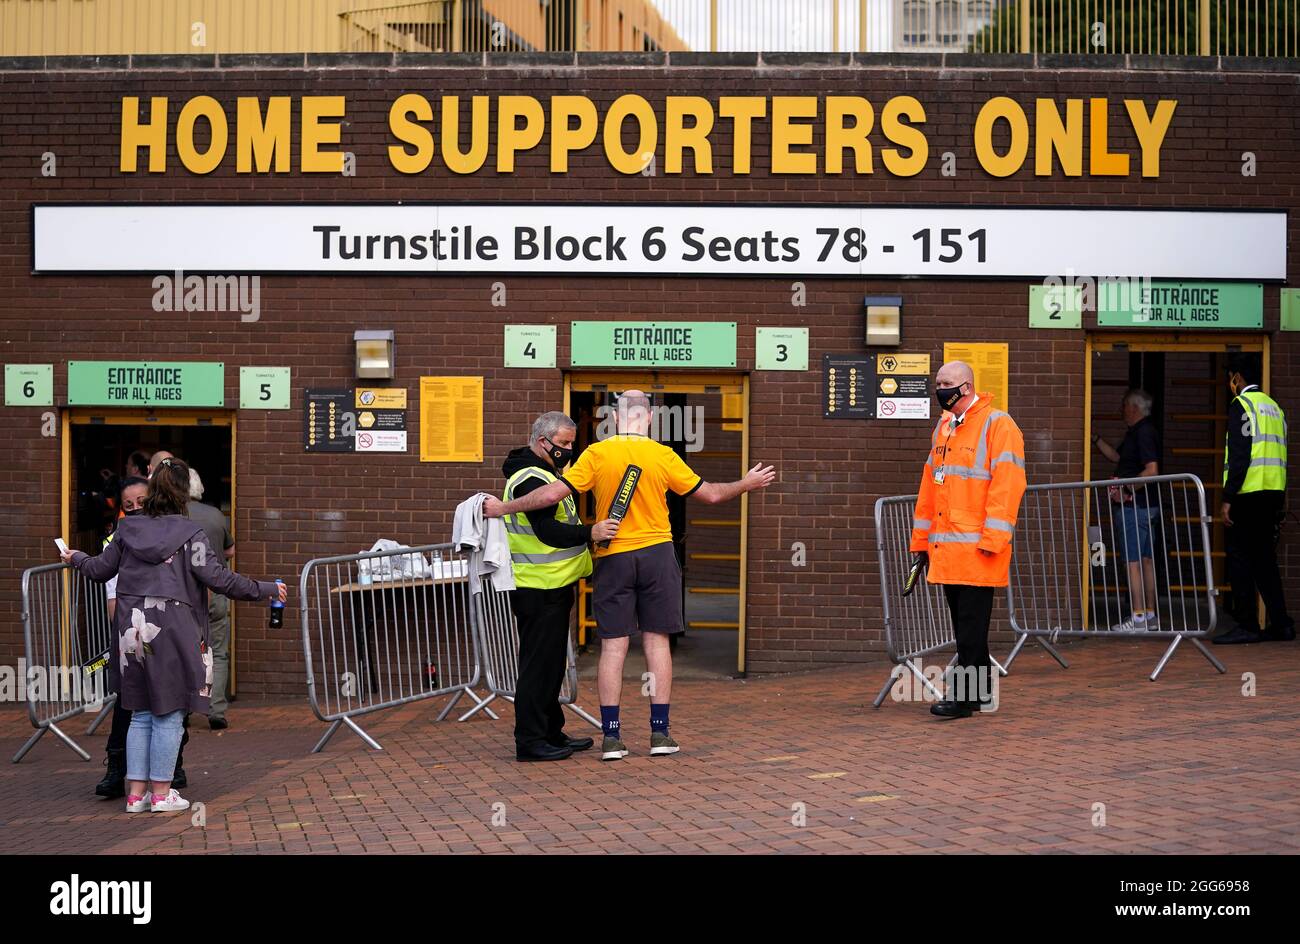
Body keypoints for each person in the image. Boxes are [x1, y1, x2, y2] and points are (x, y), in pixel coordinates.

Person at [484, 390, 775, 761]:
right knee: (656, 642)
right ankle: (660, 734)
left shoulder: (596, 454)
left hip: (614, 555)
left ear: (615, 419)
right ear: (650, 419)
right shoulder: (664, 455)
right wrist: (746, 484)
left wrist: (503, 507)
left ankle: (611, 738)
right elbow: (713, 496)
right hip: (657, 554)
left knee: (614, 645)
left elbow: (548, 496)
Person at [62, 457, 284, 813]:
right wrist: (266, 588)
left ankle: (135, 795)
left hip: (131, 629)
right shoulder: (190, 534)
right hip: (172, 629)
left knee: (139, 712)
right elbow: (220, 579)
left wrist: (74, 557)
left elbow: (100, 569)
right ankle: (162, 794)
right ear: (183, 494)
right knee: (169, 714)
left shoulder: (126, 530)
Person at [499, 412, 621, 762]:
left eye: (571, 443)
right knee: (538, 666)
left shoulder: (548, 475)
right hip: (537, 589)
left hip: (552, 587)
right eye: (564, 444)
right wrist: (590, 532)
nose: (569, 450)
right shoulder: (530, 478)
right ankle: (531, 741)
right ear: (543, 442)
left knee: (551, 665)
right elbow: (547, 532)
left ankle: (552, 732)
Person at [909, 361, 1026, 719]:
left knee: (971, 629)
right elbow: (930, 488)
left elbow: (1007, 486)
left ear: (966, 387)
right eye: (938, 382)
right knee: (965, 629)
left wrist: (993, 540)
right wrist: (921, 542)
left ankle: (965, 698)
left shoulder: (997, 424)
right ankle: (977, 694)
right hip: (949, 549)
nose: (939, 388)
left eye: (946, 383)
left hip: (977, 549)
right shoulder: (945, 427)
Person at [1213, 354, 1293, 645]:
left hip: (1248, 494)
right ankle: (1281, 623)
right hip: (1272, 496)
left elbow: (1240, 455)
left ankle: (1247, 623)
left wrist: (1228, 497)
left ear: (1238, 378)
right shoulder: (1275, 408)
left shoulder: (1242, 406)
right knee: (1265, 562)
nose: (1228, 383)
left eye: (1230, 376)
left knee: (1240, 558)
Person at [1093, 389, 1162, 631]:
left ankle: (1139, 617)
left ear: (1133, 408)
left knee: (1132, 561)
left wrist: (1128, 490)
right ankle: (1150, 616)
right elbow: (1116, 456)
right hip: (1146, 506)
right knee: (1146, 561)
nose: (1122, 411)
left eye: (1124, 406)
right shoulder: (1139, 432)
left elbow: (1152, 470)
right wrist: (1096, 439)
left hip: (1135, 507)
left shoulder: (1142, 433)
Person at [187, 467, 236, 729]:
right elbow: (230, 550)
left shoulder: (170, 516)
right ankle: (216, 709)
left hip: (183, 595)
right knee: (218, 651)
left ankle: (183, 708)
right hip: (215, 591)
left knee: (184, 651)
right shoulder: (216, 515)